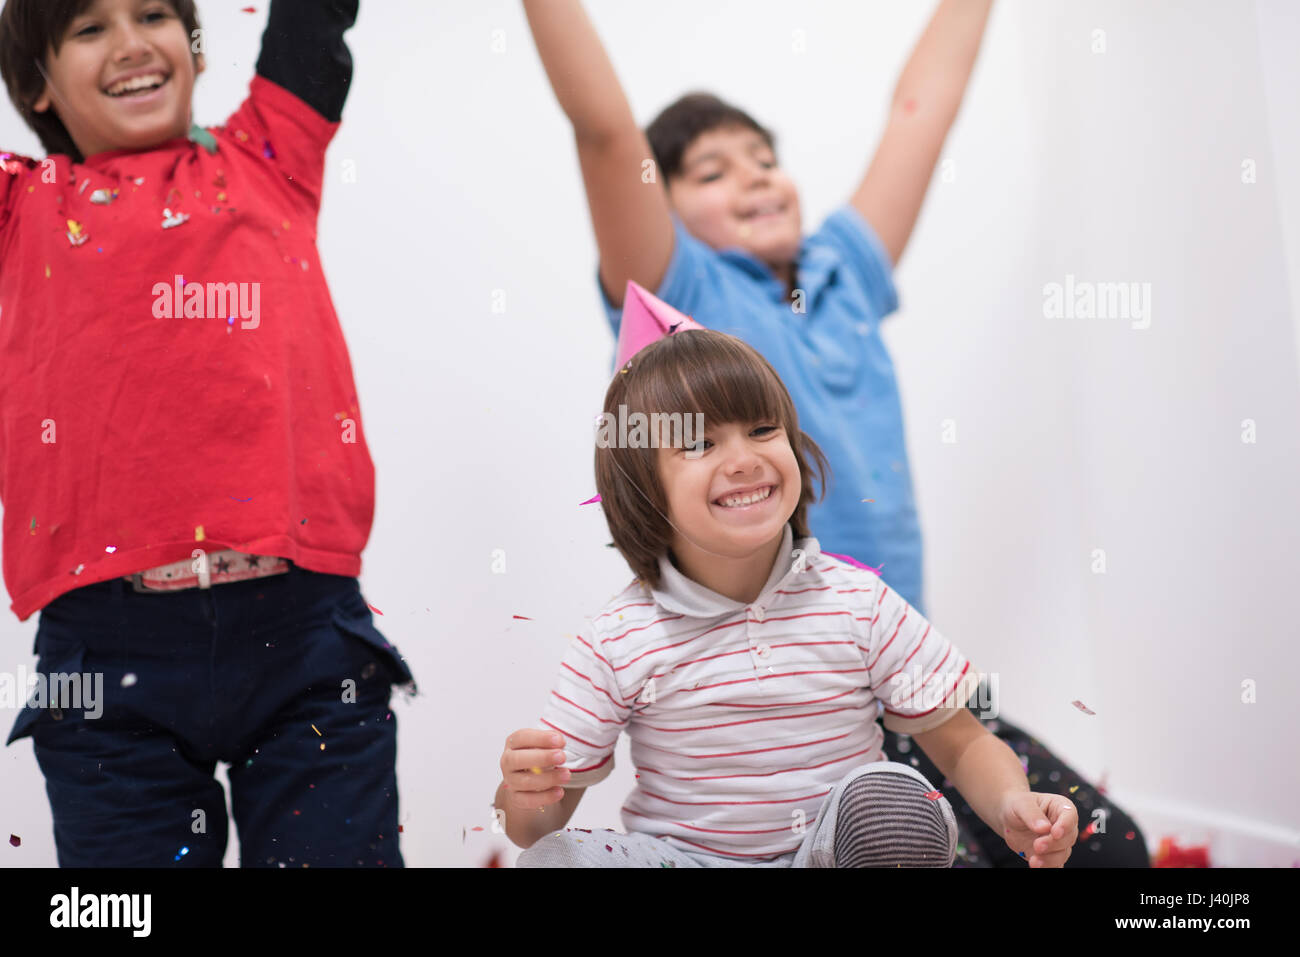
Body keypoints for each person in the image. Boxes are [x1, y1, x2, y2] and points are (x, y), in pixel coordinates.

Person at [520, 0, 1148, 866]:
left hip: (894, 694)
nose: (756, 179)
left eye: (767, 160)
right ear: (659, 204)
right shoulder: (682, 292)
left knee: (1113, 854)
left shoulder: (842, 272)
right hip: (772, 742)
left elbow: (921, 110)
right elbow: (603, 131)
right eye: (712, 172)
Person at [0, 0, 414, 867]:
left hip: (305, 641)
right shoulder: (17, 212)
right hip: (103, 664)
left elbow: (312, 19)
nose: (132, 43)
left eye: (154, 13)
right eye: (88, 29)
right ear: (35, 84)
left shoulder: (271, 152)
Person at [495, 326, 1078, 867]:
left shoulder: (858, 603)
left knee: (895, 801)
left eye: (761, 429)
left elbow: (962, 741)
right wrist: (527, 792)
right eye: (699, 444)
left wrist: (1011, 806)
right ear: (644, 490)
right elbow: (532, 828)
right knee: (561, 858)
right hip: (687, 860)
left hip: (824, 857)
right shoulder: (618, 637)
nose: (745, 460)